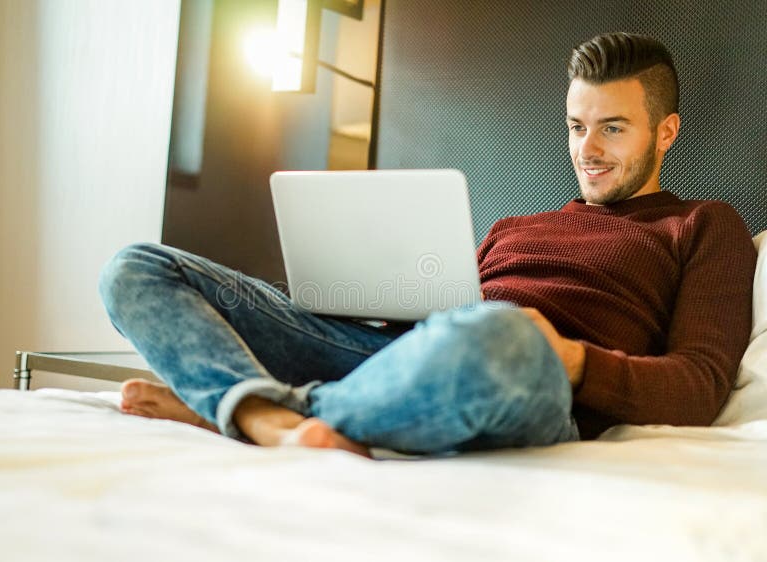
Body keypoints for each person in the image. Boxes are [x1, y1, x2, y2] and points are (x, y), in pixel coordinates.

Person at [99, 32, 757, 457]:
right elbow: (429, 327)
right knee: (138, 269)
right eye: (577, 125)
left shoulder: (703, 225)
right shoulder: (511, 227)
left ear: (666, 132)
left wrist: (572, 359)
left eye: (612, 128)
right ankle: (265, 417)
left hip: (530, 377)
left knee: (500, 332)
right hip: (404, 352)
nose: (587, 149)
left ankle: (239, 406)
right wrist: (339, 298)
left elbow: (697, 386)